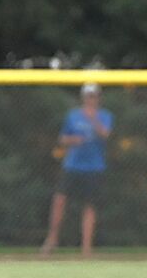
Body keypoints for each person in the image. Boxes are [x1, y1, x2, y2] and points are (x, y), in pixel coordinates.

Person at [39, 83, 112, 255]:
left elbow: (105, 134)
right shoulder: (73, 116)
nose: (91, 99)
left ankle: (86, 247)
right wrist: (73, 140)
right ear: (83, 97)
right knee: (59, 200)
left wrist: (93, 119)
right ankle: (52, 239)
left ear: (98, 98)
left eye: (94, 96)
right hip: (72, 165)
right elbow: (62, 138)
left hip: (94, 167)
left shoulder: (105, 116)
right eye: (88, 96)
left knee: (89, 205)